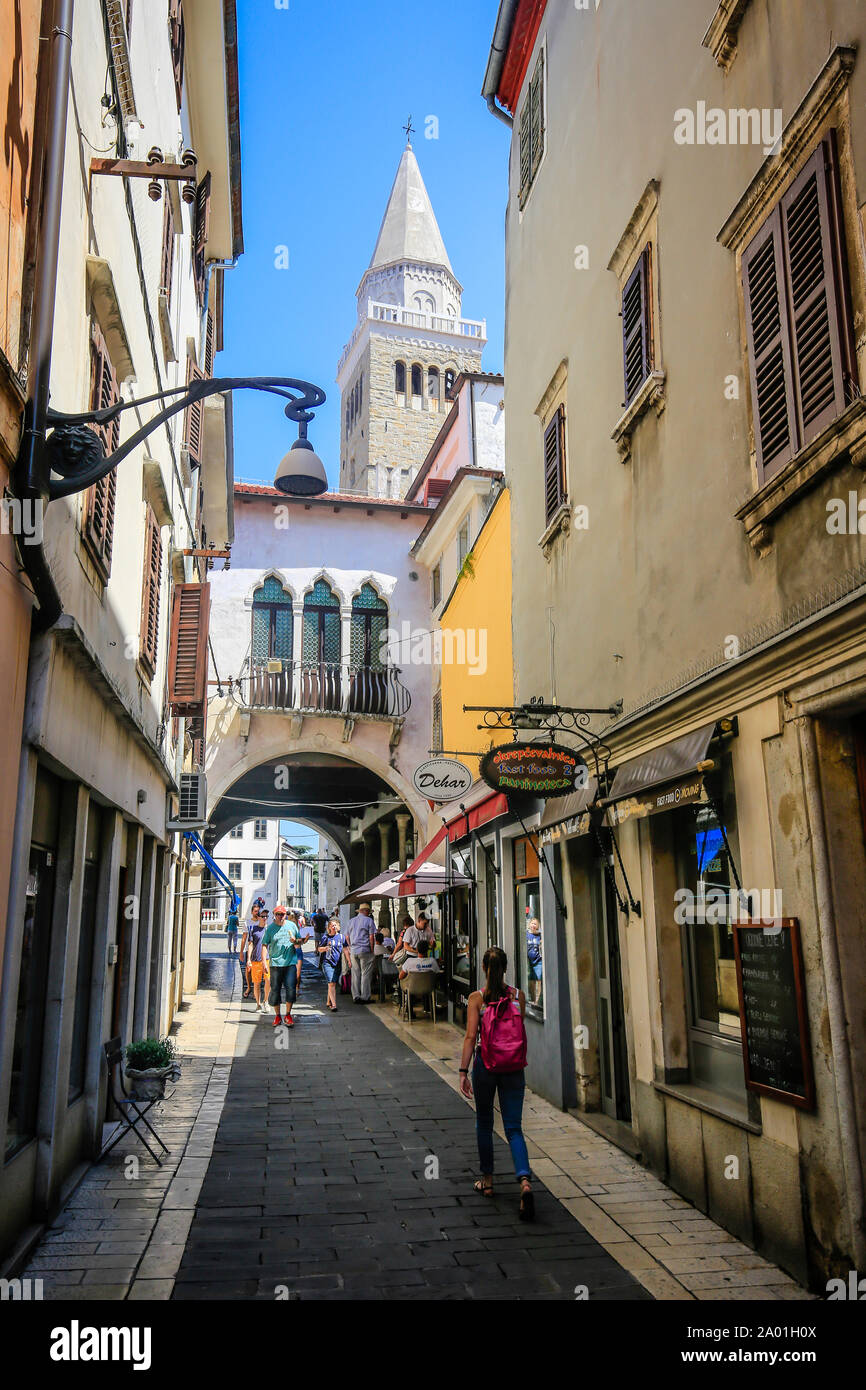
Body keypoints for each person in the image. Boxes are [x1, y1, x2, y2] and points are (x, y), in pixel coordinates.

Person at [458, 946, 534, 1220]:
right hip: (514, 1067)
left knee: (485, 1123)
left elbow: (470, 1037)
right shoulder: (518, 997)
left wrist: (463, 1070)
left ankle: (487, 1181)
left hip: (486, 1066)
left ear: (483, 968)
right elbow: (516, 1030)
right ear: (505, 969)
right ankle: (524, 1181)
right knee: (514, 1127)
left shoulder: (477, 999)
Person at [262, 904, 301, 1027]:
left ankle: (288, 1014)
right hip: (275, 964)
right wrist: (264, 961)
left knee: (290, 989)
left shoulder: (292, 926)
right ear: (274, 915)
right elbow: (264, 945)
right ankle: (278, 1016)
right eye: (277, 914)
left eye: (282, 914)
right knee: (275, 990)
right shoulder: (270, 929)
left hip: (290, 963)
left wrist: (296, 941)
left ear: (286, 915)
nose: (280, 916)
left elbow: (299, 944)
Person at [398, 938, 440, 1018]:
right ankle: (428, 1008)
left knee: (409, 986)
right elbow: (437, 974)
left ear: (417, 950)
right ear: (428, 950)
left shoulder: (409, 961)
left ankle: (409, 1012)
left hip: (412, 989)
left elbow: (400, 976)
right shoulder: (432, 961)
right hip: (428, 988)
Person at [346, 902, 376, 1003]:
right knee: (365, 974)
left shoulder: (351, 921)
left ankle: (356, 996)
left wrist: (350, 946)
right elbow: (371, 937)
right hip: (365, 949)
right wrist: (372, 950)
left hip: (354, 950)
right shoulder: (369, 921)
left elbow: (346, 936)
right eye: (369, 912)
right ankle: (365, 996)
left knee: (355, 973)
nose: (369, 914)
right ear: (366, 911)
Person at [318, 917, 349, 1011]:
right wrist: (325, 948)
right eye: (332, 925)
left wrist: (349, 961)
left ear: (338, 926)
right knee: (331, 983)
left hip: (337, 963)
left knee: (332, 983)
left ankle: (328, 1001)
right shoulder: (326, 937)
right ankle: (334, 1005)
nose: (334, 927)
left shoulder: (341, 937)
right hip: (327, 962)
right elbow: (319, 949)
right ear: (329, 927)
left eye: (335, 925)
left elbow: (345, 949)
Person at [245, 908, 270, 1013]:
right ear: (258, 917)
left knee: (268, 980)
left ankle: (266, 1001)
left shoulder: (269, 930)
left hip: (268, 959)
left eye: (266, 916)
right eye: (263, 916)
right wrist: (248, 959)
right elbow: (250, 944)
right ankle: (258, 1004)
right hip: (256, 960)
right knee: (257, 983)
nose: (264, 918)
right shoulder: (253, 929)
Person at [238, 904, 260, 998]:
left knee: (257, 970)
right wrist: (241, 952)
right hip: (249, 949)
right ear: (252, 912)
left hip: (258, 949)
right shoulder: (247, 923)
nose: (257, 913)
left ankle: (256, 988)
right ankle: (248, 987)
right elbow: (244, 938)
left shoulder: (261, 922)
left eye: (258, 911)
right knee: (248, 969)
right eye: (255, 911)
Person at [526, 917, 543, 1005]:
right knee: (531, 981)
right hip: (529, 962)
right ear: (529, 924)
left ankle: (537, 1001)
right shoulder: (526, 935)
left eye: (535, 924)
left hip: (538, 961)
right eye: (532, 923)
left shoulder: (540, 935)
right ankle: (532, 1000)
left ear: (538, 926)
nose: (533, 925)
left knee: (539, 980)